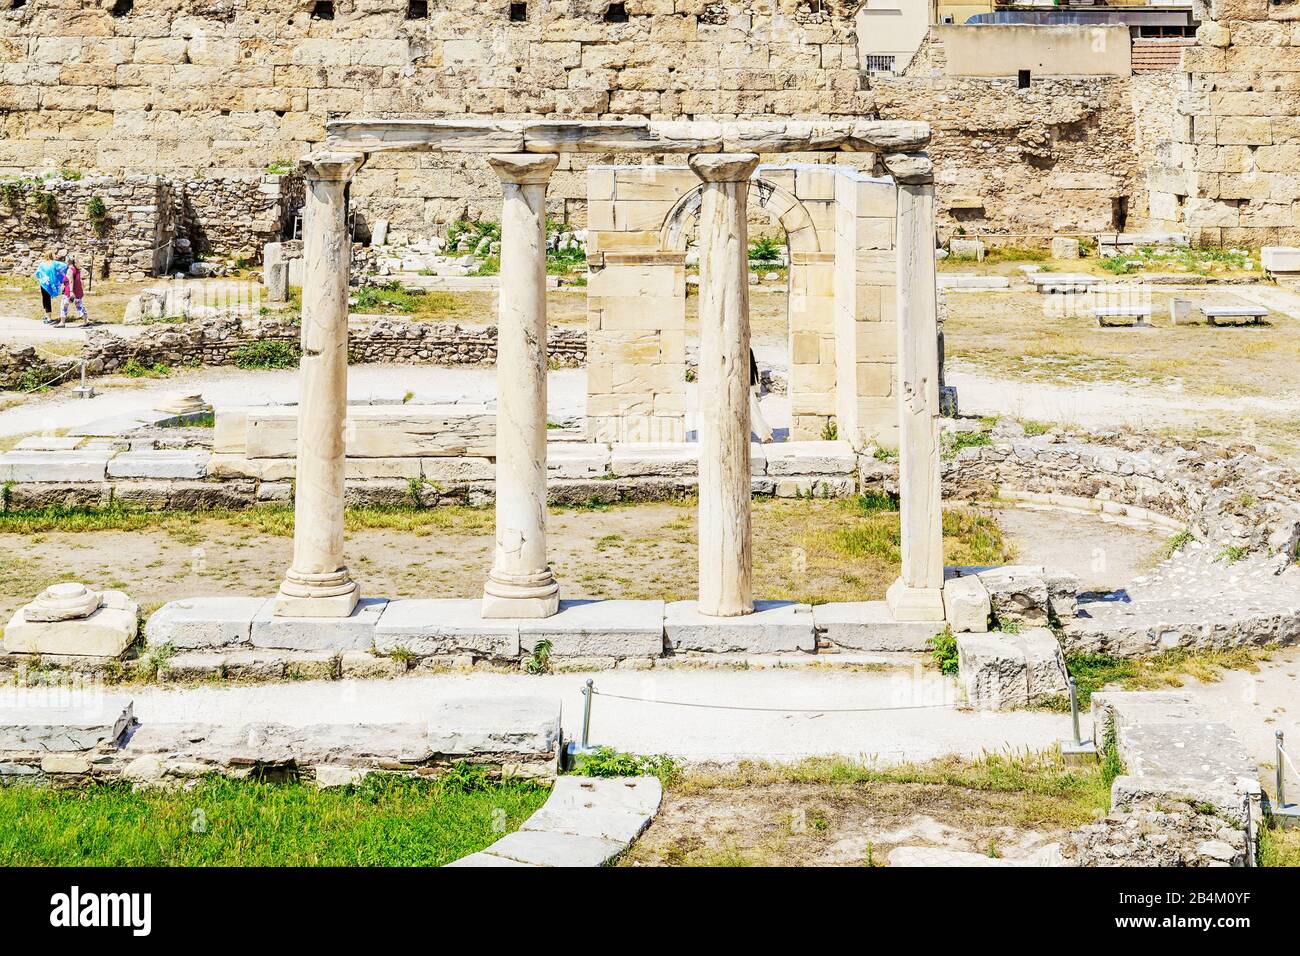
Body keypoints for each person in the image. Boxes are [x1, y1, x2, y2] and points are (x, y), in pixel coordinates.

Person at [34, 249, 66, 325]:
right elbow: (64, 267)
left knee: (45, 300)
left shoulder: (42, 264)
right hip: (52, 284)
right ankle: (48, 317)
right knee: (47, 300)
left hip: (44, 284)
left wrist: (42, 278)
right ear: (52, 255)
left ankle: (48, 317)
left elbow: (38, 273)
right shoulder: (55, 263)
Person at [749, 348, 774, 443]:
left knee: (754, 413)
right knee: (755, 412)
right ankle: (765, 433)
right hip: (750, 389)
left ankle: (765, 435)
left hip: (747, 390)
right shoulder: (752, 366)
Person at [58, 254, 88, 327]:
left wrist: (71, 292)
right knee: (79, 306)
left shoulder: (70, 270)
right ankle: (85, 321)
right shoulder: (76, 269)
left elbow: (71, 281)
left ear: (68, 260)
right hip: (77, 291)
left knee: (64, 305)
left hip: (69, 291)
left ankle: (62, 322)